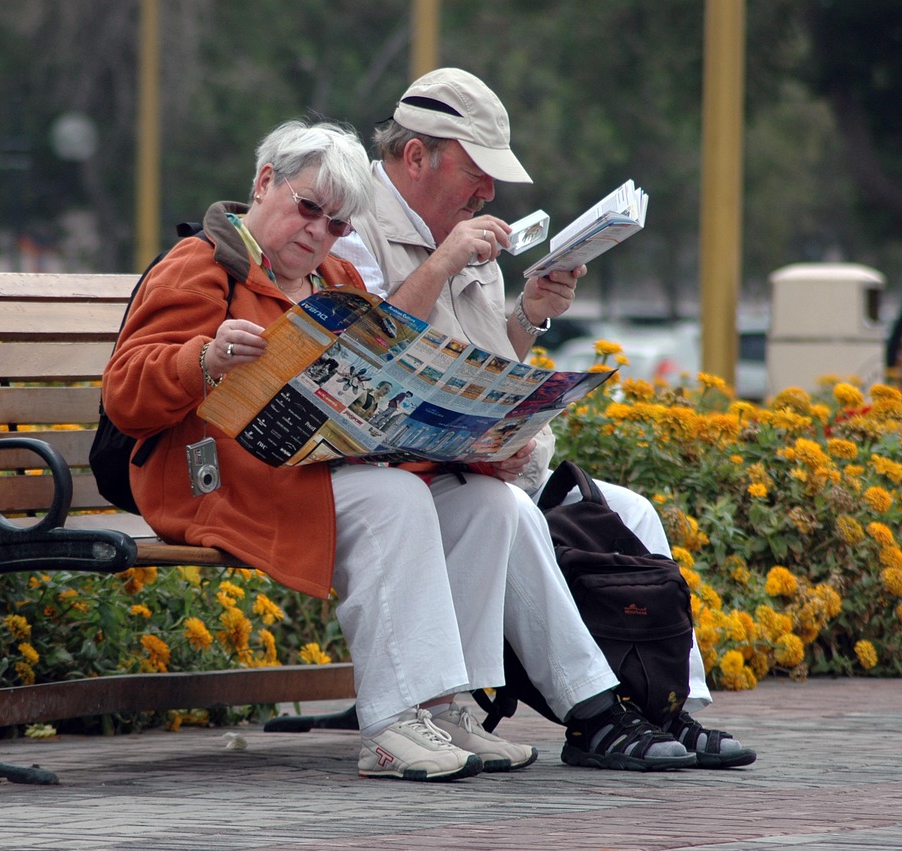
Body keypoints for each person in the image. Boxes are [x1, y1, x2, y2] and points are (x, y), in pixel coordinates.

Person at [103, 118, 699, 782]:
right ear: (264, 182)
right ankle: (392, 723)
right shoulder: (203, 262)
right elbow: (126, 398)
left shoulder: (332, 275)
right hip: (221, 477)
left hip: (318, 467)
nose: (317, 231)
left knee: (487, 502)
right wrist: (204, 359)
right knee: (394, 499)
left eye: (335, 223)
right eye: (308, 207)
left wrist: (480, 452)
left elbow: (385, 403)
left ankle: (448, 712)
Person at [332, 67, 755, 770]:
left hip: (485, 465)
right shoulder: (358, 228)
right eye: (477, 171)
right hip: (420, 476)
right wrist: (442, 262)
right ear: (416, 157)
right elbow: (370, 364)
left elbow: (490, 368)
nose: (488, 192)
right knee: (506, 510)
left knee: (634, 512)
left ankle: (667, 708)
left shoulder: (465, 238)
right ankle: (594, 714)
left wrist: (528, 311)